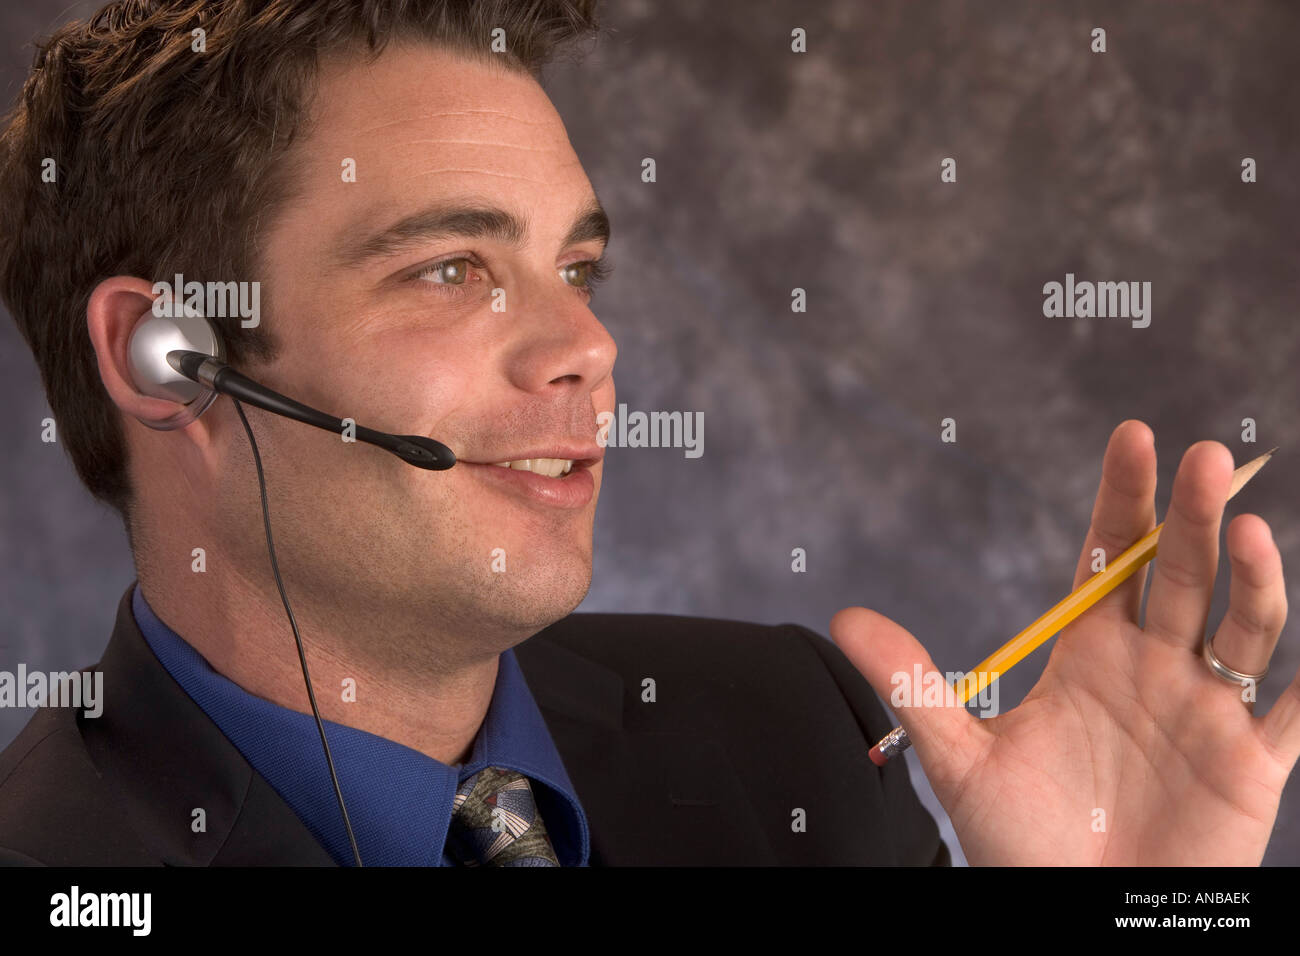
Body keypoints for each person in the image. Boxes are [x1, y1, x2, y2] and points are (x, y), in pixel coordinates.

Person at [0, 0, 1295, 867]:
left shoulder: (797, 734)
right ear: (168, 359)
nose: (590, 348)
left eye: (580, 267)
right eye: (453, 268)